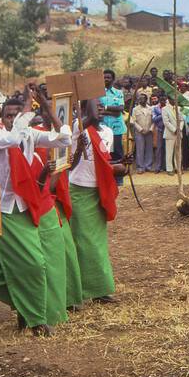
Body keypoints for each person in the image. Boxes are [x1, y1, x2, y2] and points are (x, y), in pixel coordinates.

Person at [0, 91, 72, 337]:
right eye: (8, 115)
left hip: (22, 208)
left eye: (16, 115)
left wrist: (46, 106)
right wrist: (24, 113)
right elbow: (11, 139)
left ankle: (27, 318)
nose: (12, 118)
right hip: (1, 210)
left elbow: (64, 140)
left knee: (9, 268)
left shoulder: (30, 135)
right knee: (25, 265)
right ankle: (33, 321)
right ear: (1, 117)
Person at [68, 99, 125, 303]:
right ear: (85, 109)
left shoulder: (108, 132)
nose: (100, 109)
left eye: (102, 106)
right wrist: (89, 89)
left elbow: (105, 162)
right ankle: (77, 292)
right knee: (81, 242)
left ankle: (99, 289)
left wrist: (120, 166)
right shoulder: (79, 127)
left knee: (97, 242)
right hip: (79, 189)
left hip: (98, 191)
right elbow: (90, 117)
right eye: (95, 105)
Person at [99, 69, 126, 164]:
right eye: (104, 77)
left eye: (108, 77)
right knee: (105, 151)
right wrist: (113, 112)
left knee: (118, 152)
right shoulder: (98, 93)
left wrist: (105, 108)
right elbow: (98, 109)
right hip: (103, 128)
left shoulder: (118, 93)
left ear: (113, 79)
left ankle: (119, 175)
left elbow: (120, 108)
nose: (106, 79)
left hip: (116, 128)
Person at [130, 93, 154, 173]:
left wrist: (150, 129)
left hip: (149, 131)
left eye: (142, 98)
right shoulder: (135, 109)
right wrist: (140, 129)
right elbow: (133, 121)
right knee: (140, 149)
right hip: (139, 132)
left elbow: (154, 120)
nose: (140, 100)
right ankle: (140, 167)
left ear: (146, 99)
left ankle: (148, 166)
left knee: (149, 149)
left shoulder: (151, 109)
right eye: (139, 99)